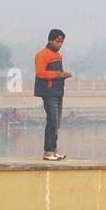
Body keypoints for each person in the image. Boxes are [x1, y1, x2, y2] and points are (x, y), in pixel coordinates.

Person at [34, 29, 73, 160]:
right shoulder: (41, 55)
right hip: (48, 92)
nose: (60, 45)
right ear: (50, 40)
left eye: (62, 42)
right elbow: (40, 73)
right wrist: (58, 74)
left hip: (58, 92)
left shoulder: (59, 56)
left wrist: (64, 75)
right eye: (58, 42)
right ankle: (48, 152)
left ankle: (54, 150)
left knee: (57, 122)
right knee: (51, 120)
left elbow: (58, 74)